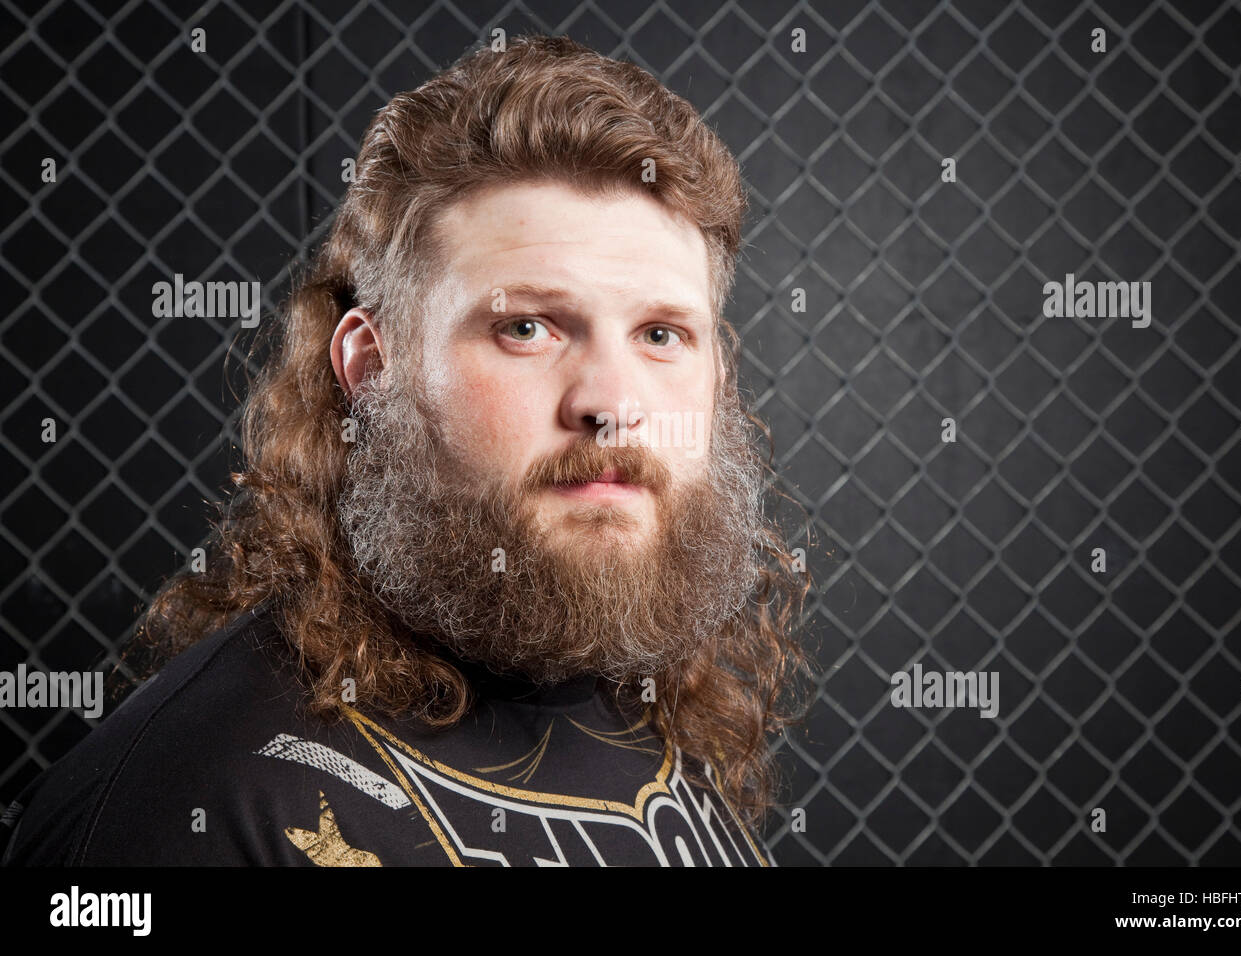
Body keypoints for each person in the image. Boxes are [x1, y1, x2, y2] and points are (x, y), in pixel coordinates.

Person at [0, 33, 811, 867]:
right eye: (525, 327)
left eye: (661, 333)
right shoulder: (186, 808)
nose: (610, 404)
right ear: (371, 367)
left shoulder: (645, 694)